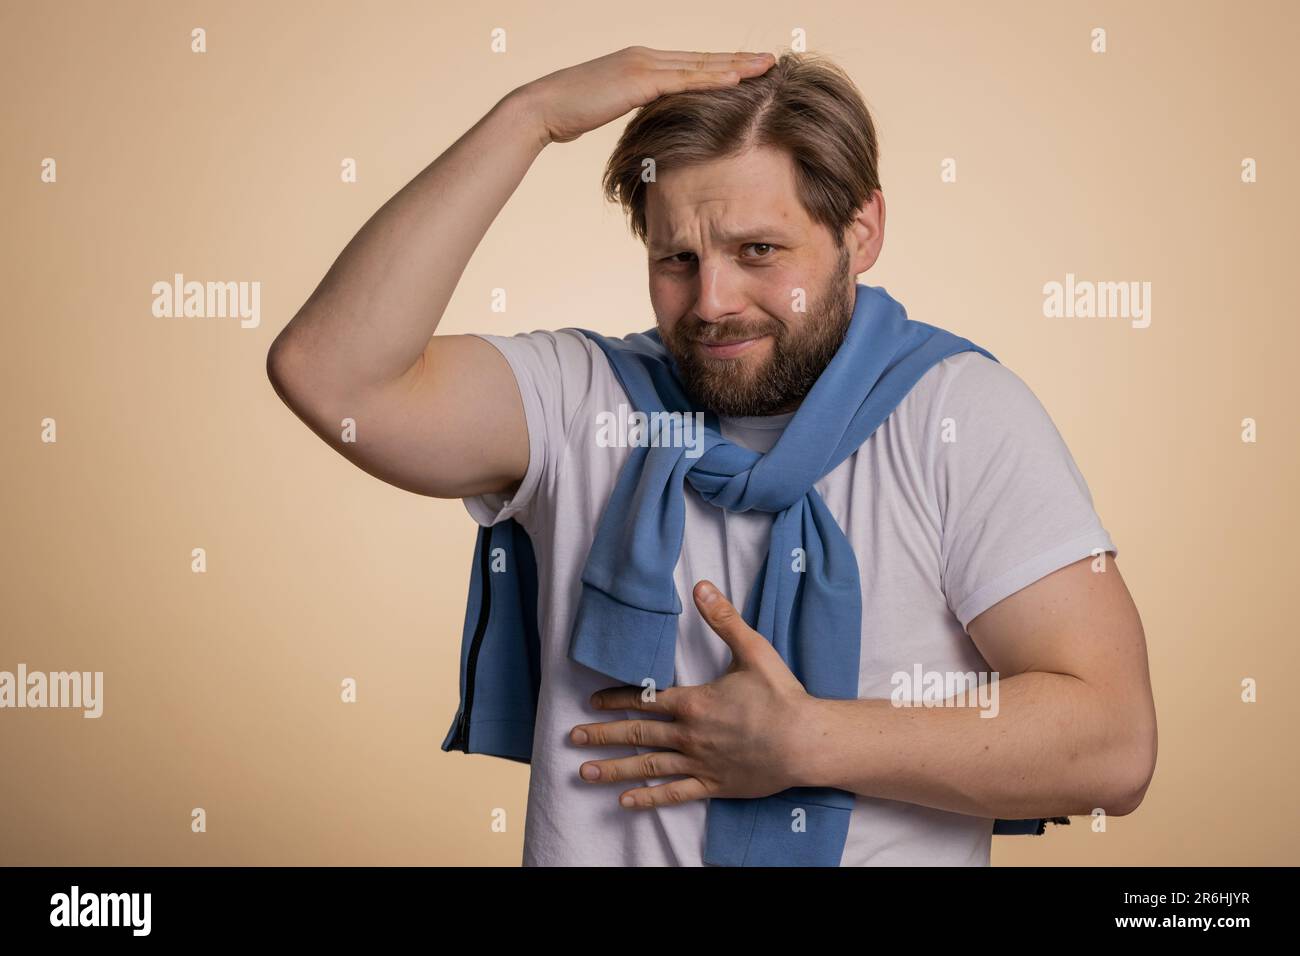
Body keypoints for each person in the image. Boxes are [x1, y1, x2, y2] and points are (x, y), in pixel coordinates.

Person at [266, 46, 1157, 866]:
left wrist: (807, 741)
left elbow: (1113, 743)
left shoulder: (959, 413)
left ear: (861, 230)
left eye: (758, 251)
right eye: (676, 258)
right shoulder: (586, 401)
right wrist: (529, 116)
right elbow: (334, 380)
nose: (712, 301)